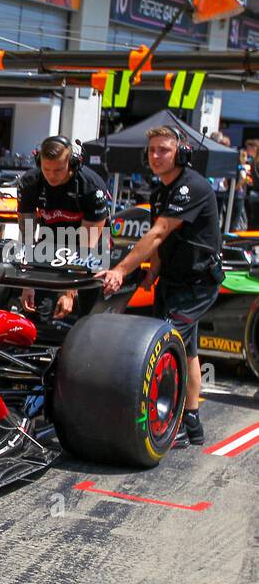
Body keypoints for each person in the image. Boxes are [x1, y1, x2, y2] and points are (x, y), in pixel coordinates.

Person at [96, 126, 223, 447]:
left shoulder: (190, 187)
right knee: (188, 351)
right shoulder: (160, 192)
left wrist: (121, 270)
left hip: (197, 284)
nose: (156, 156)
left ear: (180, 153)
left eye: (164, 150)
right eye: (152, 150)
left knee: (167, 345)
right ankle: (192, 422)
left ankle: (175, 419)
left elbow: (157, 233)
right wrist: (152, 271)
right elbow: (163, 242)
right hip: (173, 280)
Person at [15, 135, 110, 319]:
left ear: (73, 164)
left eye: (58, 170)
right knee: (40, 313)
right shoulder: (29, 183)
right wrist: (27, 282)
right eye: (46, 169)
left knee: (81, 318)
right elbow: (27, 235)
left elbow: (87, 247)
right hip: (50, 244)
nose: (51, 175)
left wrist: (69, 291)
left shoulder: (91, 187)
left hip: (89, 249)